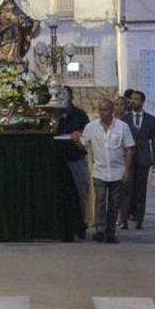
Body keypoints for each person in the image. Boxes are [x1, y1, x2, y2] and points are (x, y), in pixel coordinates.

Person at [74, 98, 134, 244]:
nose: (103, 113)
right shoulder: (91, 127)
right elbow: (84, 145)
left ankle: (111, 232)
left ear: (112, 111)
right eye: (100, 110)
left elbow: (129, 148)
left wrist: (127, 169)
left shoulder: (122, 127)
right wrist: (76, 140)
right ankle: (100, 230)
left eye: (106, 110)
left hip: (117, 171)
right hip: (99, 171)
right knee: (100, 201)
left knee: (114, 203)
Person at [56, 86, 91, 236]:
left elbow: (86, 136)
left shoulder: (80, 115)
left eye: (64, 97)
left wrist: (78, 137)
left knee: (80, 190)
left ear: (71, 99)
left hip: (75, 158)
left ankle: (81, 224)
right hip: (57, 158)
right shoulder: (52, 115)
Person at [120, 90, 155, 230]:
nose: (133, 101)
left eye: (136, 99)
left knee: (141, 190)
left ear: (142, 102)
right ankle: (124, 219)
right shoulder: (125, 119)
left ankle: (139, 218)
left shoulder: (150, 119)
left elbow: (154, 141)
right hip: (128, 159)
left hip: (143, 158)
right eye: (132, 99)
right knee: (126, 188)